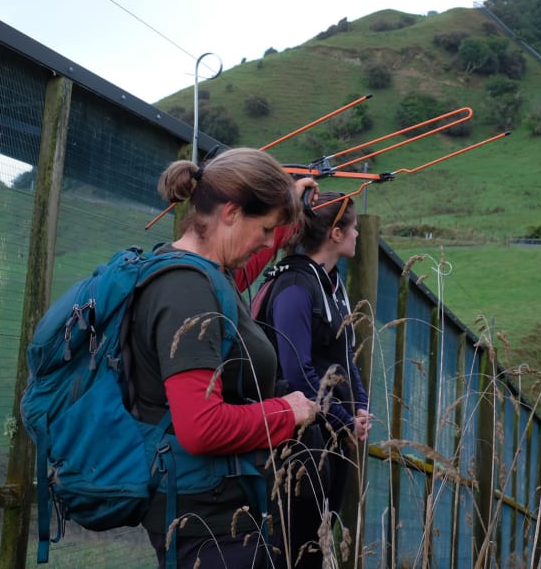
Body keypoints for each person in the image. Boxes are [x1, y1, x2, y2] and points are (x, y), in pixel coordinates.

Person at [127, 147, 320, 569]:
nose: (271, 242)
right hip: (207, 526)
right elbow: (200, 427)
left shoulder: (200, 274)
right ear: (231, 212)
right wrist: (286, 411)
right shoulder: (187, 293)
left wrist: (290, 201)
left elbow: (241, 274)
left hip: (218, 515)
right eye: (266, 229)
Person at [255, 190, 371, 569]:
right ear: (335, 233)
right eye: (352, 228)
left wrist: (361, 407)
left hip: (332, 435)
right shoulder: (294, 286)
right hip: (300, 442)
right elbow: (295, 372)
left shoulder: (331, 284)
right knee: (297, 546)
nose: (357, 235)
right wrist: (343, 418)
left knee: (319, 542)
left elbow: (344, 356)